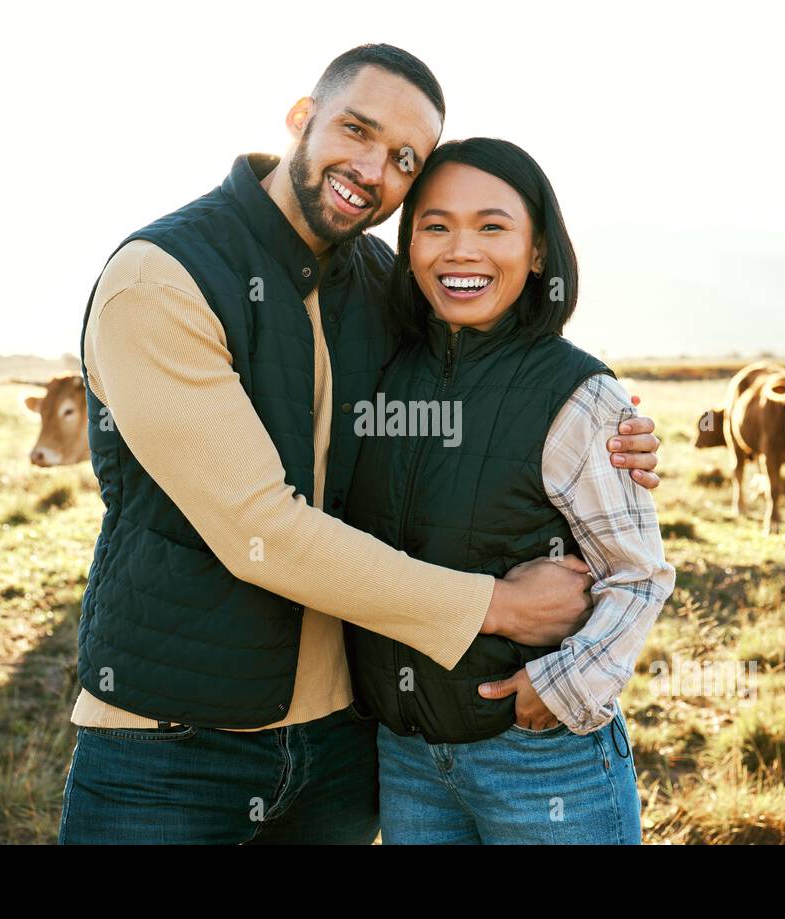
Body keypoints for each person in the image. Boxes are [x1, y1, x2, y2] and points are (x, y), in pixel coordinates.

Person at [57, 44, 662, 845]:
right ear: (301, 118)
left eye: (404, 160)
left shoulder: (379, 280)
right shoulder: (163, 277)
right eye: (356, 130)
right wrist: (500, 606)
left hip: (349, 741)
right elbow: (259, 531)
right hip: (173, 741)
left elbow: (485, 372)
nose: (372, 168)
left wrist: (608, 430)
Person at [344, 138, 675, 844]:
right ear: (407, 249)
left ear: (538, 253)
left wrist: (560, 691)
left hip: (540, 761)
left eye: (492, 227)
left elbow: (639, 575)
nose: (461, 250)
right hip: (405, 761)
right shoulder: (381, 374)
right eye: (435, 227)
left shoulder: (579, 395)